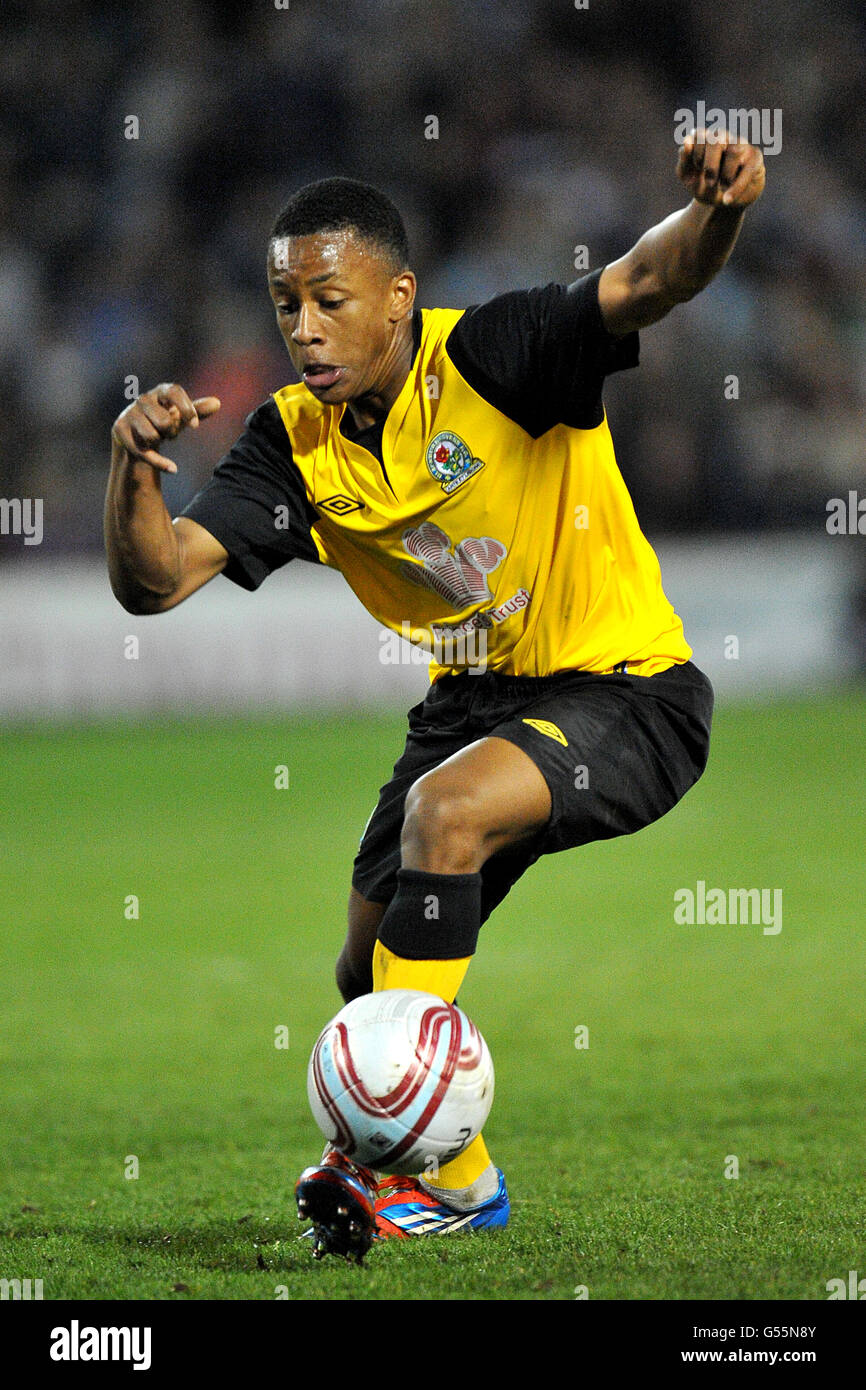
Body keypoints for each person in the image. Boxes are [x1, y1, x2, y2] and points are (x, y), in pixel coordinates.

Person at [105, 129, 766, 1262]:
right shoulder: (292, 445)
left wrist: (719, 211)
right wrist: (131, 468)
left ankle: (382, 1166)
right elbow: (154, 581)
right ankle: (464, 1179)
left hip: (628, 687)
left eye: (330, 300)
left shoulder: (499, 353)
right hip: (471, 705)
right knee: (363, 973)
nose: (303, 329)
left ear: (398, 297)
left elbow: (652, 278)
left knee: (444, 816)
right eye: (284, 306)